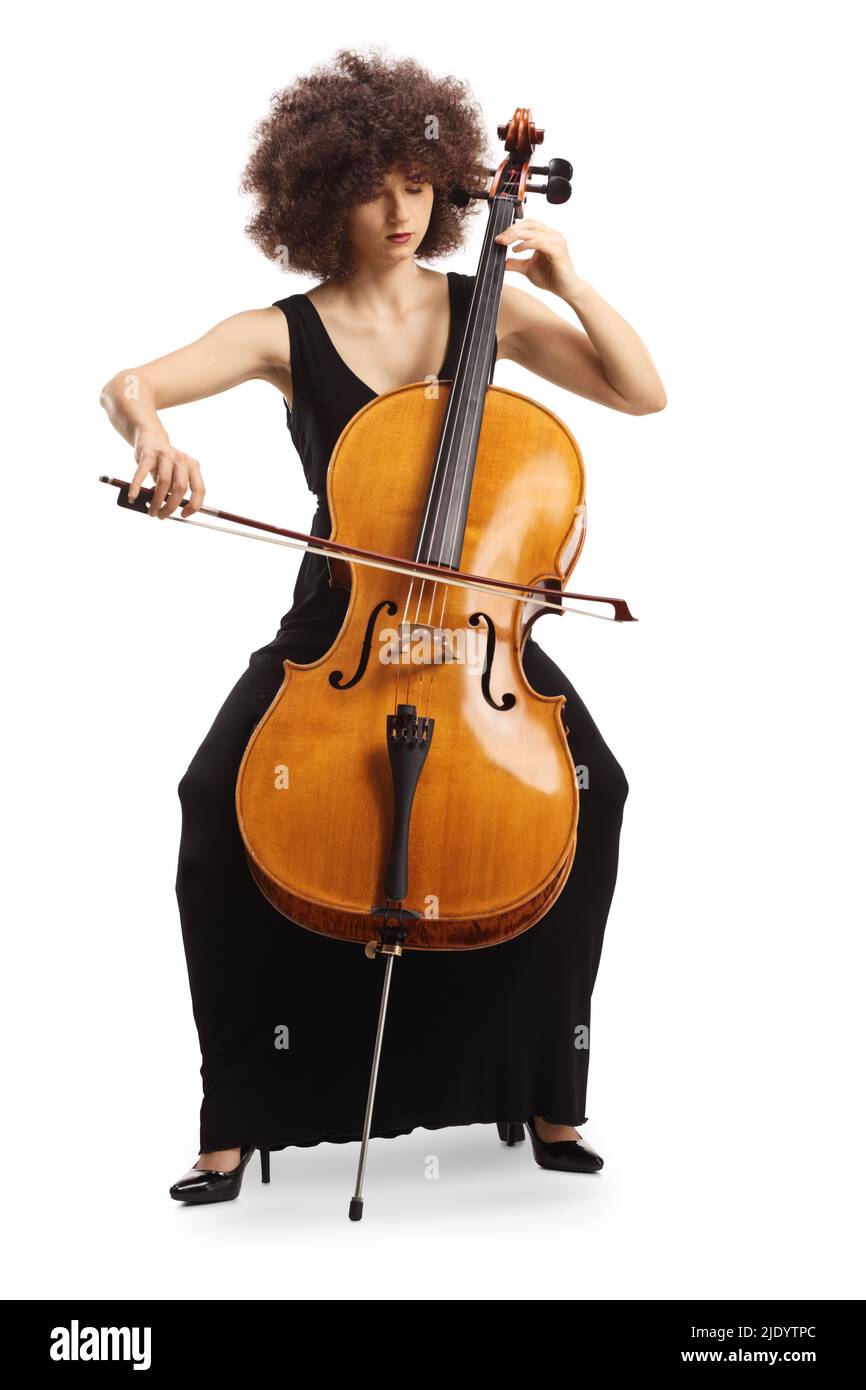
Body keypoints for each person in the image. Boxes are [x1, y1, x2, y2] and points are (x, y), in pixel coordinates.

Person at [99, 48, 666, 1205]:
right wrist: (151, 437)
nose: (401, 211)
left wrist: (566, 276)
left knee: (592, 795)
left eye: (421, 185)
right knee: (214, 803)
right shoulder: (282, 332)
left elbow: (638, 390)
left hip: (478, 636)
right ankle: (232, 1118)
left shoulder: (484, 314)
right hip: (342, 623)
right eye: (373, 187)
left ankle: (546, 1088)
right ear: (320, 194)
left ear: (455, 189)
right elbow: (129, 382)